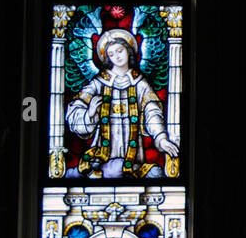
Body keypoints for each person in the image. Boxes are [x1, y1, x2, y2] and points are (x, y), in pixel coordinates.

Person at [66, 30, 178, 178]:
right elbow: (74, 111)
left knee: (155, 174)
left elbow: (152, 112)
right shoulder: (98, 83)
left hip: (134, 160)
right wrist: (89, 113)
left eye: (119, 51)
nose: (117, 57)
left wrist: (161, 138)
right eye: (111, 54)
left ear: (128, 50)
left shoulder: (140, 83)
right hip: (101, 157)